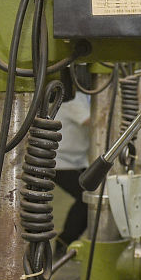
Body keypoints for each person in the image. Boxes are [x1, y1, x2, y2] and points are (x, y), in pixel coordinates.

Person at [54, 90, 90, 248]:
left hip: (79, 160)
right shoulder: (71, 96)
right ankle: (65, 242)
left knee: (93, 198)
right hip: (61, 162)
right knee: (86, 198)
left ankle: (70, 241)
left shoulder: (84, 95)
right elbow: (90, 120)